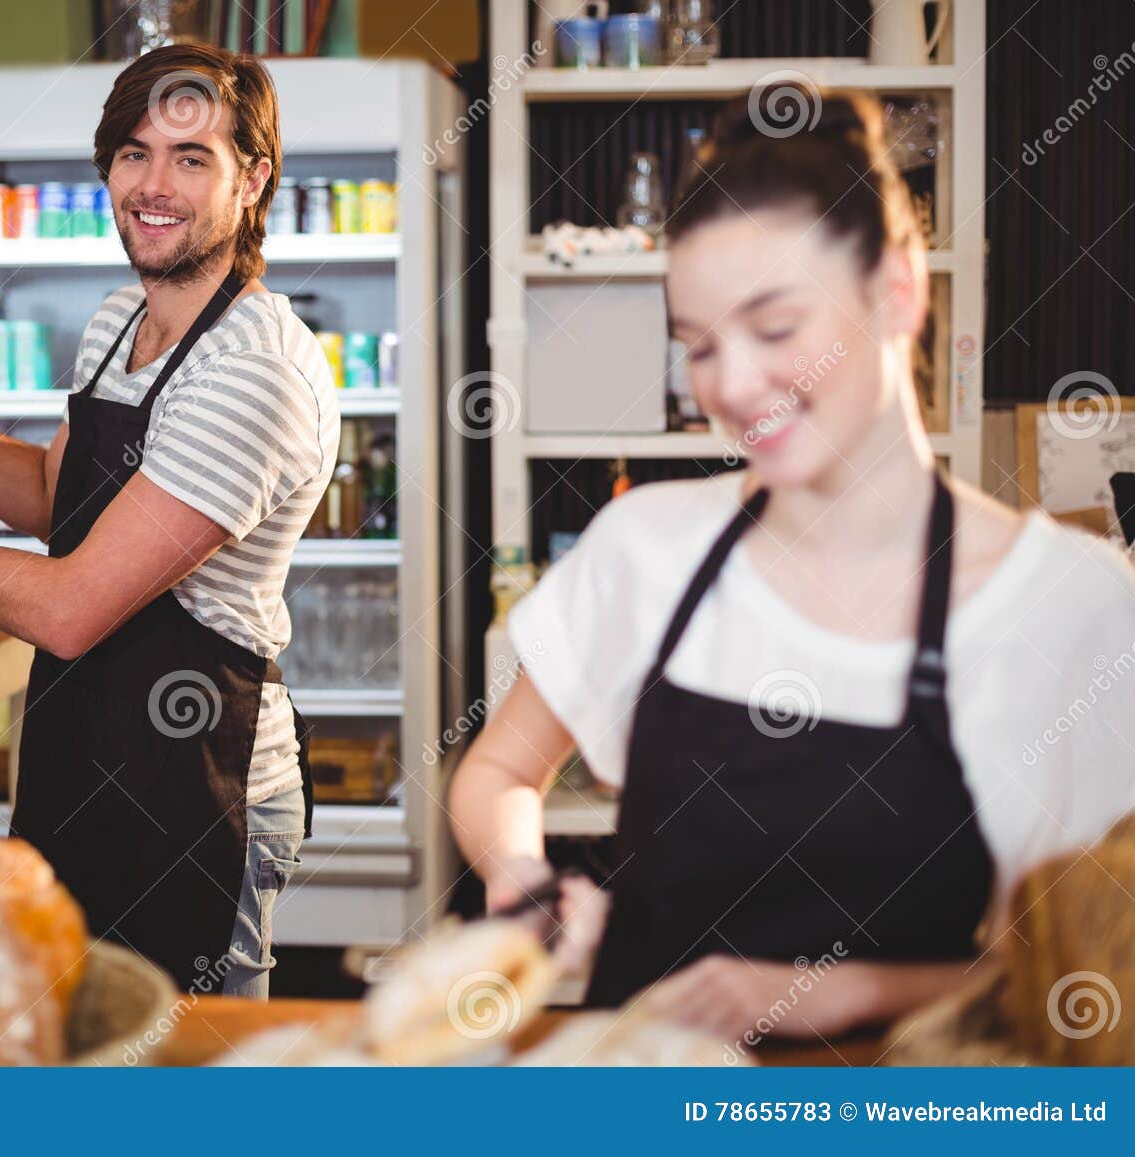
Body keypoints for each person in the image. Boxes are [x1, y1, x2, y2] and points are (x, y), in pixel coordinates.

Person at [449, 90, 1135, 1041]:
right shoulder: (646, 549)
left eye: (774, 329)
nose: (730, 385)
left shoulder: (1070, 608)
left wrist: (854, 991)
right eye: (697, 345)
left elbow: (1092, 971)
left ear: (899, 289)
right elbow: (500, 771)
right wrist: (523, 878)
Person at [0, 44, 339, 997]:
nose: (152, 185)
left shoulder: (254, 370)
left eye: (190, 158)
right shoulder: (122, 317)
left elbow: (75, 606)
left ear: (254, 180)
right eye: (132, 154)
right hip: (83, 765)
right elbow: (55, 500)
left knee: (179, 1090)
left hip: (198, 788)